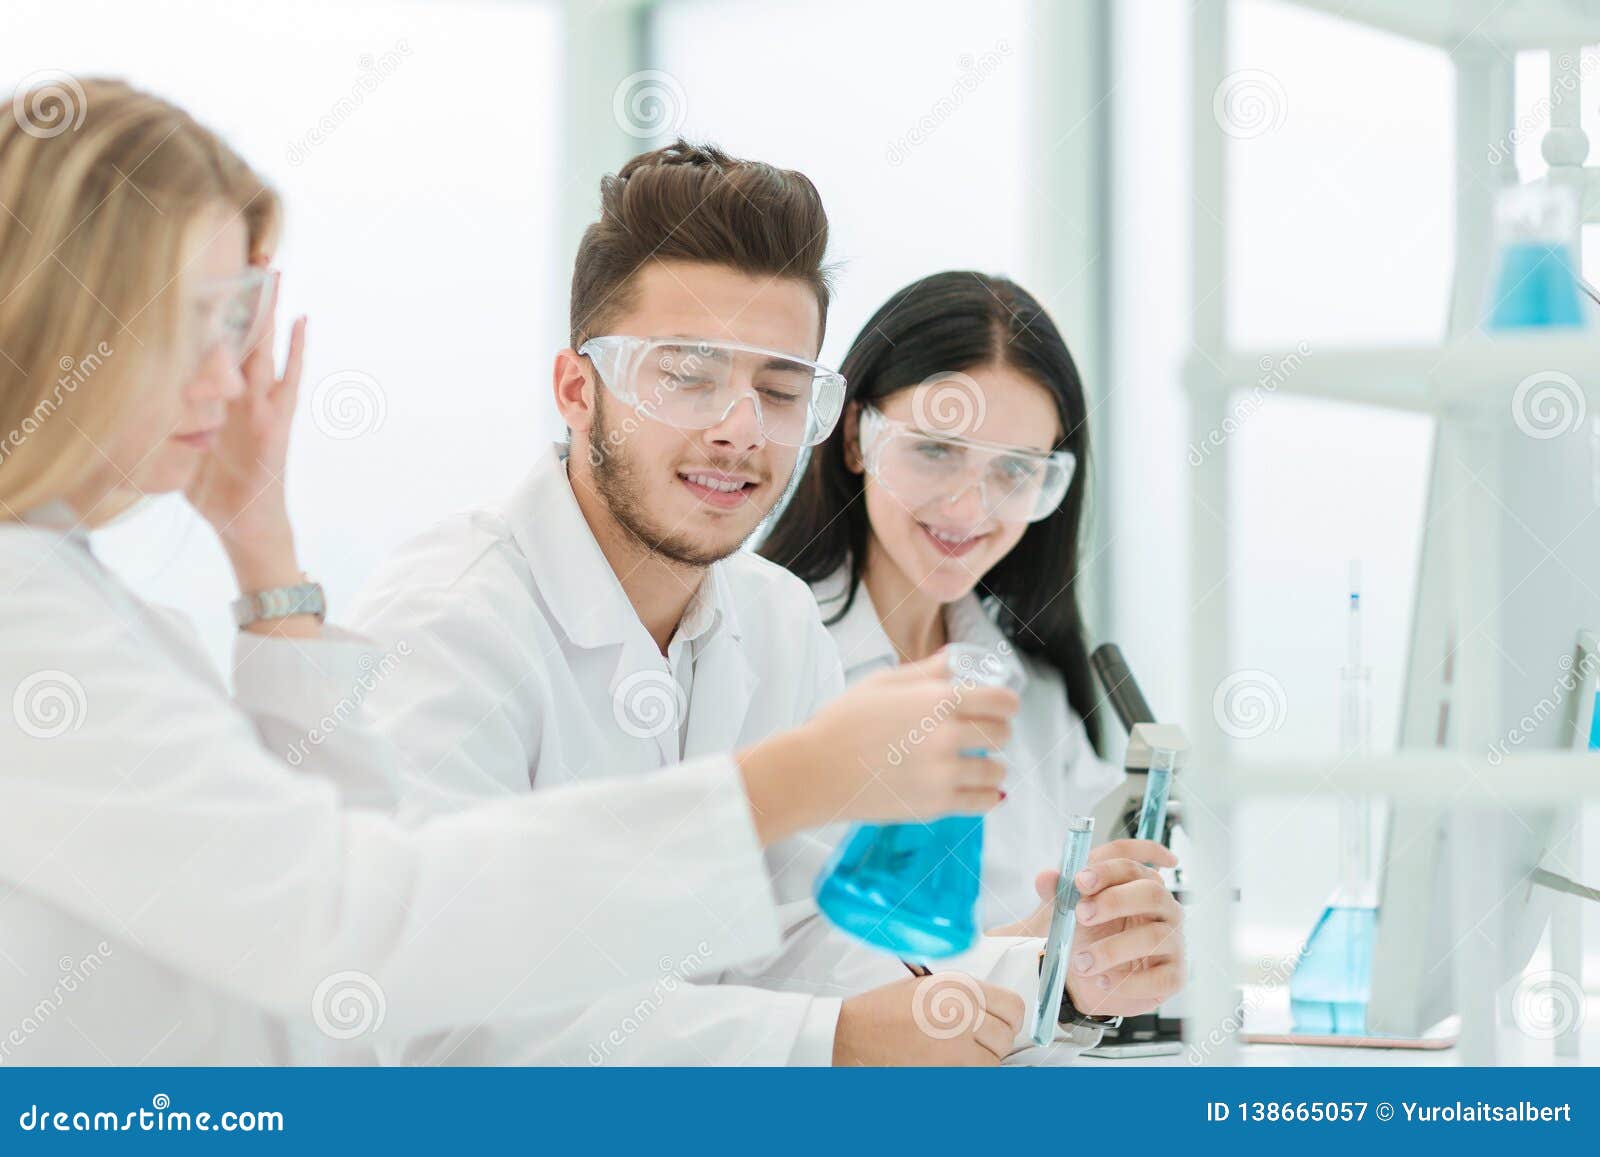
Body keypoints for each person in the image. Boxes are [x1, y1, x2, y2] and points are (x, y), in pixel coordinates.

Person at [0, 80, 1007, 1065]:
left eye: (781, 389)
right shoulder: (32, 616)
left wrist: (264, 556)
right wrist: (793, 787)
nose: (231, 377)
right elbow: (377, 948)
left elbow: (346, 854)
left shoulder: (74, 590)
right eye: (203, 320)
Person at [354, 142, 1178, 1066]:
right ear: (577, 390)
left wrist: (1047, 974)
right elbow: (445, 1015)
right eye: (688, 375)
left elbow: (801, 939)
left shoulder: (773, 621)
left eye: (780, 389)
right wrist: (833, 1041)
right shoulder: (446, 624)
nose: (740, 427)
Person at [761, 271, 1186, 1017]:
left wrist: (1121, 936)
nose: (969, 506)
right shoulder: (763, 648)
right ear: (856, 437)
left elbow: (1094, 930)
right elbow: (780, 967)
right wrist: (1025, 960)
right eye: (935, 450)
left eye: (1014, 470)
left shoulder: (1036, 693)